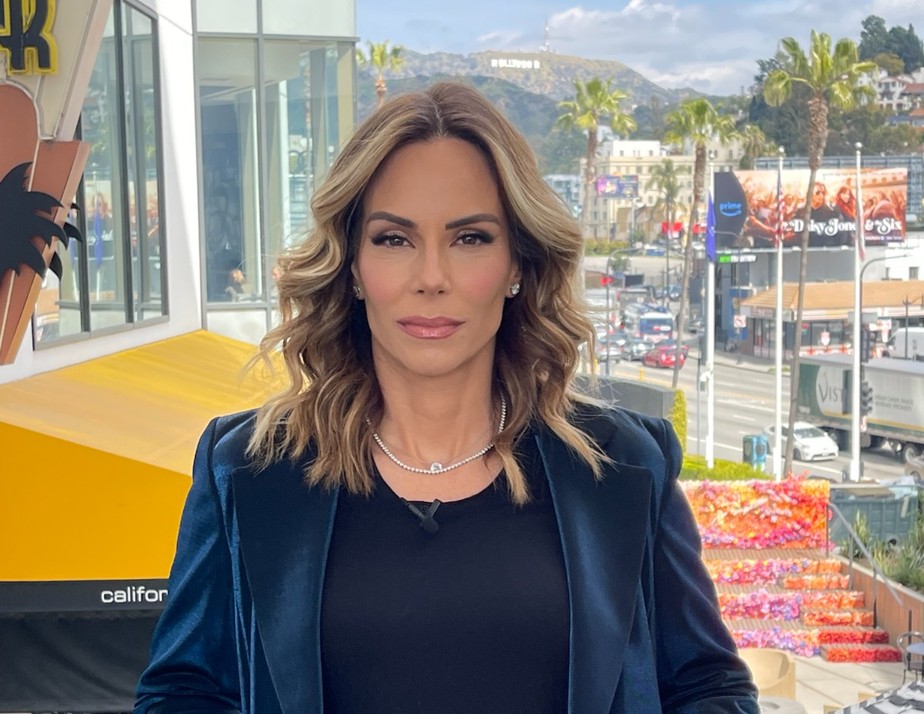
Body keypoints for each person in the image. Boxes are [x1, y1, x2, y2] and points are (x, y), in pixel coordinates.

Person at [135, 82, 758, 714]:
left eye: (470, 238)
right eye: (393, 239)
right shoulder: (247, 468)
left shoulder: (624, 465)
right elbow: (182, 692)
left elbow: (710, 688)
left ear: (518, 262)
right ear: (352, 265)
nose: (431, 278)